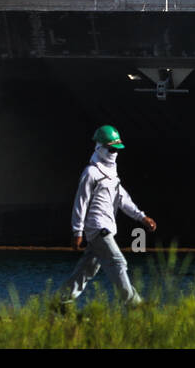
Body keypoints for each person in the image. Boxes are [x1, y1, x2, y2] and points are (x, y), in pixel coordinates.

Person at [60, 125, 156, 305]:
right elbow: (80, 202)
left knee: (87, 268)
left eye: (117, 149)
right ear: (100, 148)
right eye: (111, 149)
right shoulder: (91, 172)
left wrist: (141, 217)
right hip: (97, 228)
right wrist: (77, 231)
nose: (115, 153)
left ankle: (60, 302)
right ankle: (134, 304)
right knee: (118, 262)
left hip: (108, 227)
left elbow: (122, 198)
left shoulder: (113, 174)